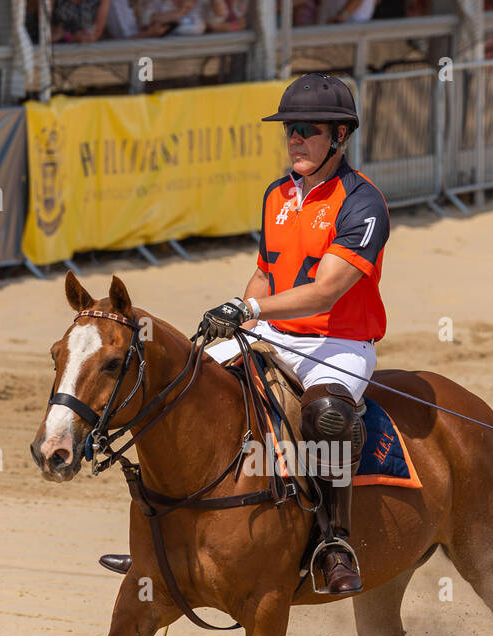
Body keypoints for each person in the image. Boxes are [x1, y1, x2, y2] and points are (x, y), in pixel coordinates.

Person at [100, 74, 390, 596]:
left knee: (327, 416)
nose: (295, 139)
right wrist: (243, 315)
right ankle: (157, 536)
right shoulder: (277, 194)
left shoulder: (362, 203)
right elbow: (266, 270)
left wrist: (249, 307)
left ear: (340, 136)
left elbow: (325, 293)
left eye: (307, 130)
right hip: (274, 331)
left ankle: (333, 542)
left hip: (337, 344)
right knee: (183, 383)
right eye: (289, 130)